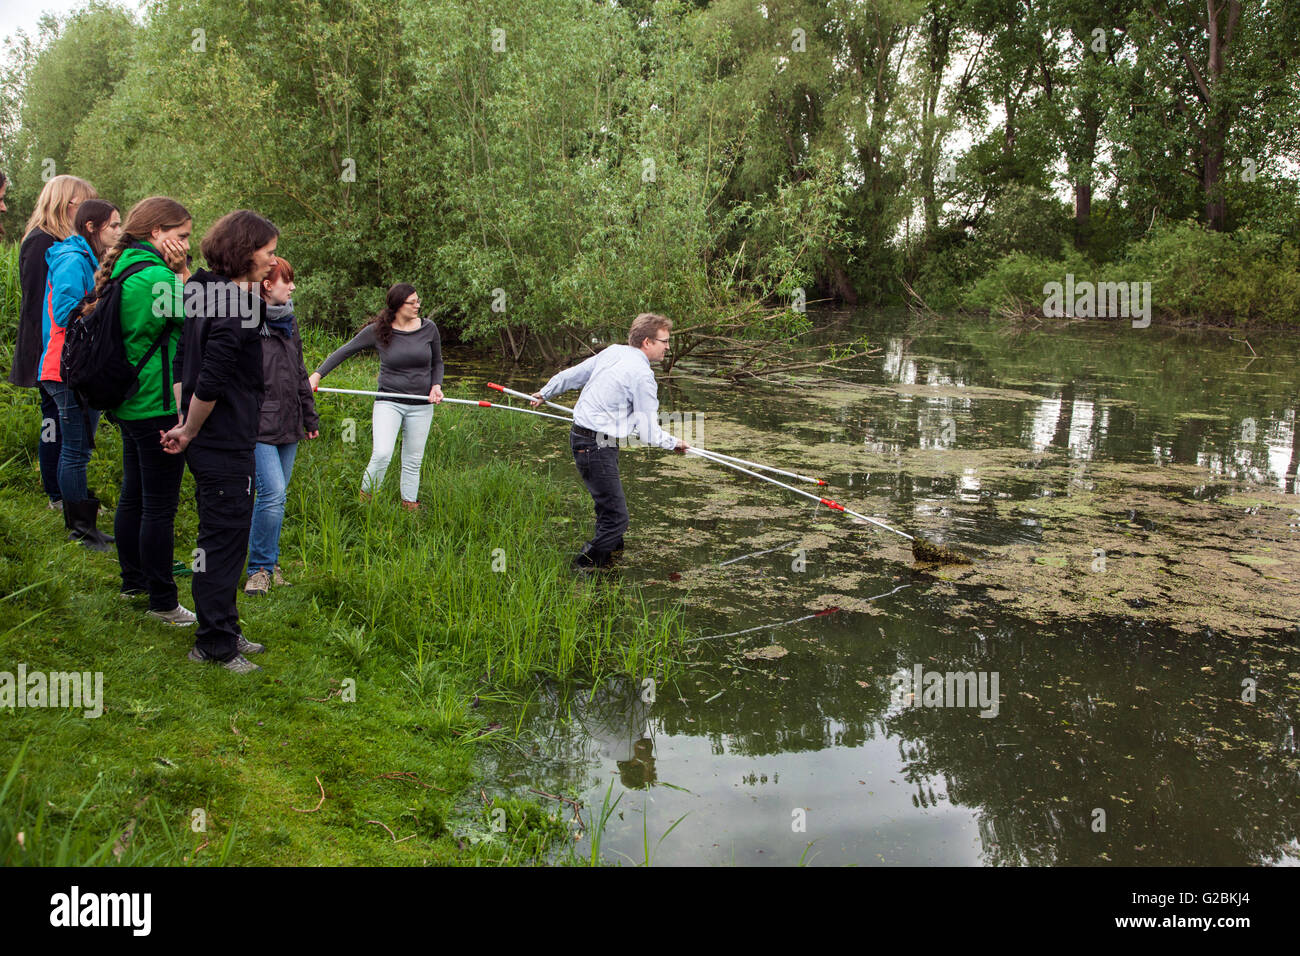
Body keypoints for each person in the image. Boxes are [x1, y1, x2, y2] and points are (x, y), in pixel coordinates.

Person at [162, 209, 279, 674]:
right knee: (223, 539)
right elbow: (211, 376)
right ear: (246, 252)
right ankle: (212, 644)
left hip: (209, 434)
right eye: (269, 252)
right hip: (223, 438)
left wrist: (181, 416)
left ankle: (225, 626)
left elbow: (182, 356)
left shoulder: (201, 288)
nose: (274, 261)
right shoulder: (238, 306)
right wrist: (188, 429)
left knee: (224, 535)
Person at [87, 196, 195, 625]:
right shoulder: (154, 278)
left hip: (128, 401)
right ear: (157, 233)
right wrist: (184, 272)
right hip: (157, 402)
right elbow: (202, 316)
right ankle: (163, 602)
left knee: (134, 495)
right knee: (159, 507)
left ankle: (133, 581)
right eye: (182, 236)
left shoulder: (124, 267)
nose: (187, 244)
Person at [530, 313, 687, 570]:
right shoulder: (642, 376)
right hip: (594, 445)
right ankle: (584, 568)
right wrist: (674, 443)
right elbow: (647, 432)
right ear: (647, 342)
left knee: (609, 508)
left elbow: (572, 375)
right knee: (617, 517)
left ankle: (610, 565)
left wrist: (546, 391)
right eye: (664, 341)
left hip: (587, 438)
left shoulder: (614, 352)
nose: (668, 347)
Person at [308, 284, 444, 510]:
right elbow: (346, 350)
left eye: (418, 301)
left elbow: (437, 362)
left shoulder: (429, 328)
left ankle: (409, 505)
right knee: (382, 454)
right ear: (398, 305)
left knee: (413, 460)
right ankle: (365, 502)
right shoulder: (379, 330)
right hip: (389, 403)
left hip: (422, 404)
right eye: (412, 302)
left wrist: (436, 386)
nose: (418, 305)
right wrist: (317, 374)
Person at [9, 175, 98, 510]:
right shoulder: (41, 242)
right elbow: (38, 303)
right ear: (67, 204)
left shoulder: (60, 242)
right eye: (83, 202)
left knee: (64, 425)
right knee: (55, 423)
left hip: (56, 344)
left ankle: (67, 493)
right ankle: (58, 495)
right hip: (46, 346)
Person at [39, 199, 122, 548]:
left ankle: (82, 525)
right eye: (114, 225)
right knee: (74, 449)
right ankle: (80, 530)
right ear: (92, 227)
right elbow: (65, 312)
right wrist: (111, 303)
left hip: (75, 366)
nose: (119, 232)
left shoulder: (86, 258)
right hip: (66, 367)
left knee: (78, 448)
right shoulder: (73, 260)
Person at [244, 255, 319, 596]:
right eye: (286, 280)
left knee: (277, 496)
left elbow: (299, 371)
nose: (292, 286)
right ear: (265, 284)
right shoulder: (245, 320)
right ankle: (257, 569)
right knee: (271, 493)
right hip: (257, 422)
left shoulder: (289, 321)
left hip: (289, 421)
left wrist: (309, 415)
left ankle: (270, 563)